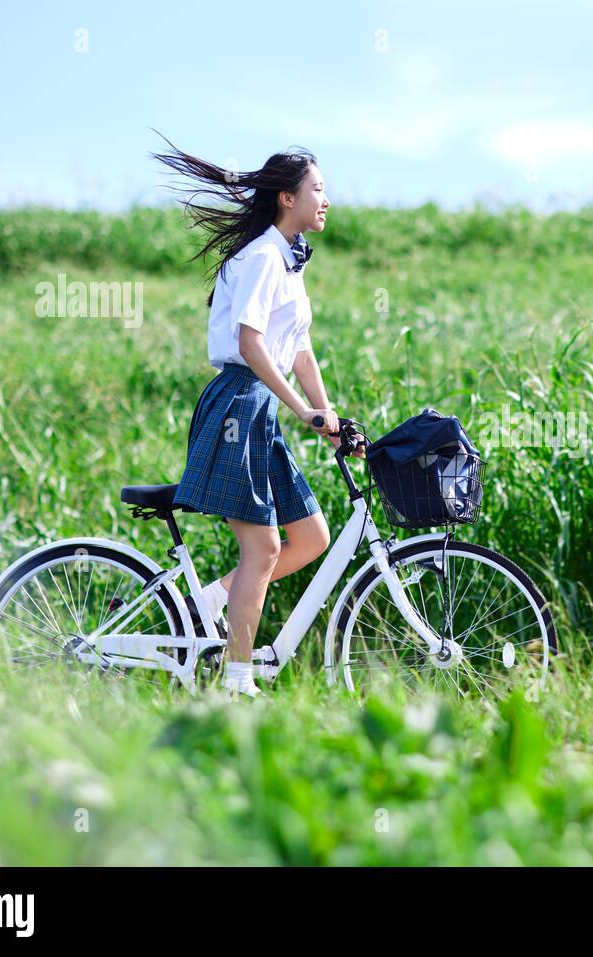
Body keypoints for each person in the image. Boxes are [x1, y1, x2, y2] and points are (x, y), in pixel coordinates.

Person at [151, 133, 363, 697]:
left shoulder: (287, 261)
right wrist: (302, 412)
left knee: (312, 537)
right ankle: (237, 679)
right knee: (264, 548)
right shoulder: (265, 256)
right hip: (240, 403)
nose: (326, 199)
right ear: (286, 199)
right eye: (317, 189)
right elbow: (250, 344)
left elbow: (299, 350)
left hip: (262, 406)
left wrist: (328, 415)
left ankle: (212, 601)